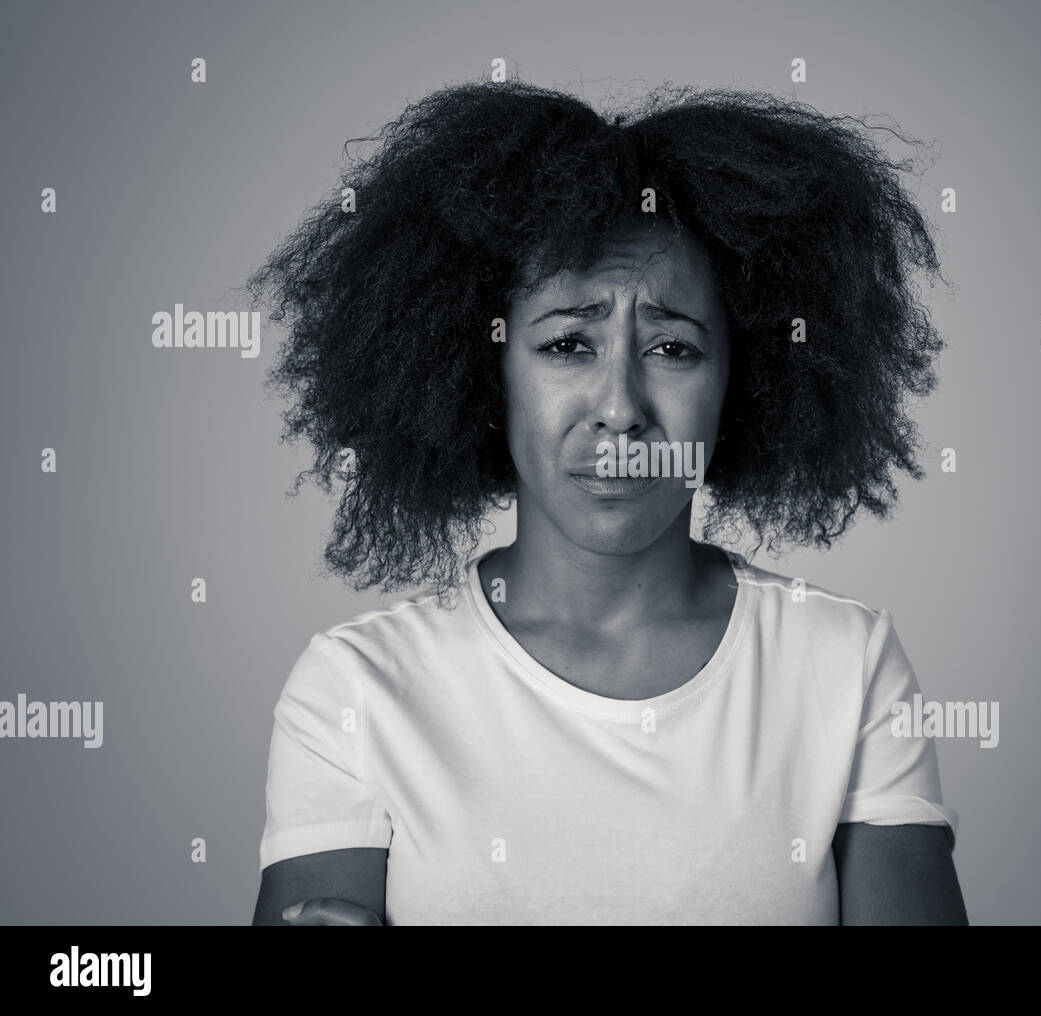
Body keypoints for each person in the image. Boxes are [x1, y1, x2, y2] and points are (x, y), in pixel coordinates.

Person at [248, 79, 966, 925]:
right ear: (484, 373)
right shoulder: (358, 689)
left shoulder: (844, 665)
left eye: (672, 347)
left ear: (744, 383)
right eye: (566, 344)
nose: (620, 406)